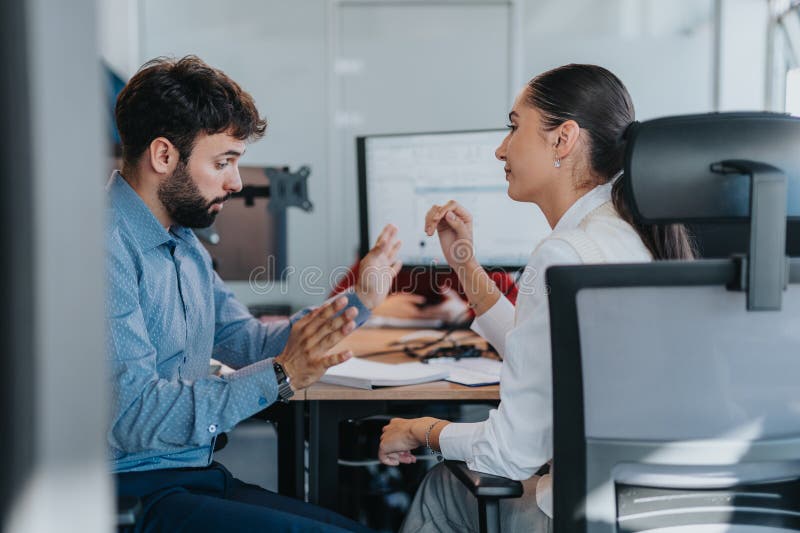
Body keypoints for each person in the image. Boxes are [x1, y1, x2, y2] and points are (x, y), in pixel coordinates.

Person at [377, 64, 695, 532]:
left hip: (583, 516)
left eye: (513, 125)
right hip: (656, 512)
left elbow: (510, 453)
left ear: (562, 139)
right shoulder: (633, 234)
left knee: (444, 487)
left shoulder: (565, 252)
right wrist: (465, 264)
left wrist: (421, 429)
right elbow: (551, 356)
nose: (500, 147)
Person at [108, 55, 402, 532]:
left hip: (190, 474)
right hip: (136, 489)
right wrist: (283, 375)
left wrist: (360, 299)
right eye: (223, 162)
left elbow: (247, 341)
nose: (237, 181)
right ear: (163, 156)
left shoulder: (182, 242)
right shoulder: (104, 249)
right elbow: (136, 416)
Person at [330, 260, 519, 324]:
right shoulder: (385, 263)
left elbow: (518, 319)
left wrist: (464, 314)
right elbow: (329, 312)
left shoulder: (479, 267)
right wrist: (372, 308)